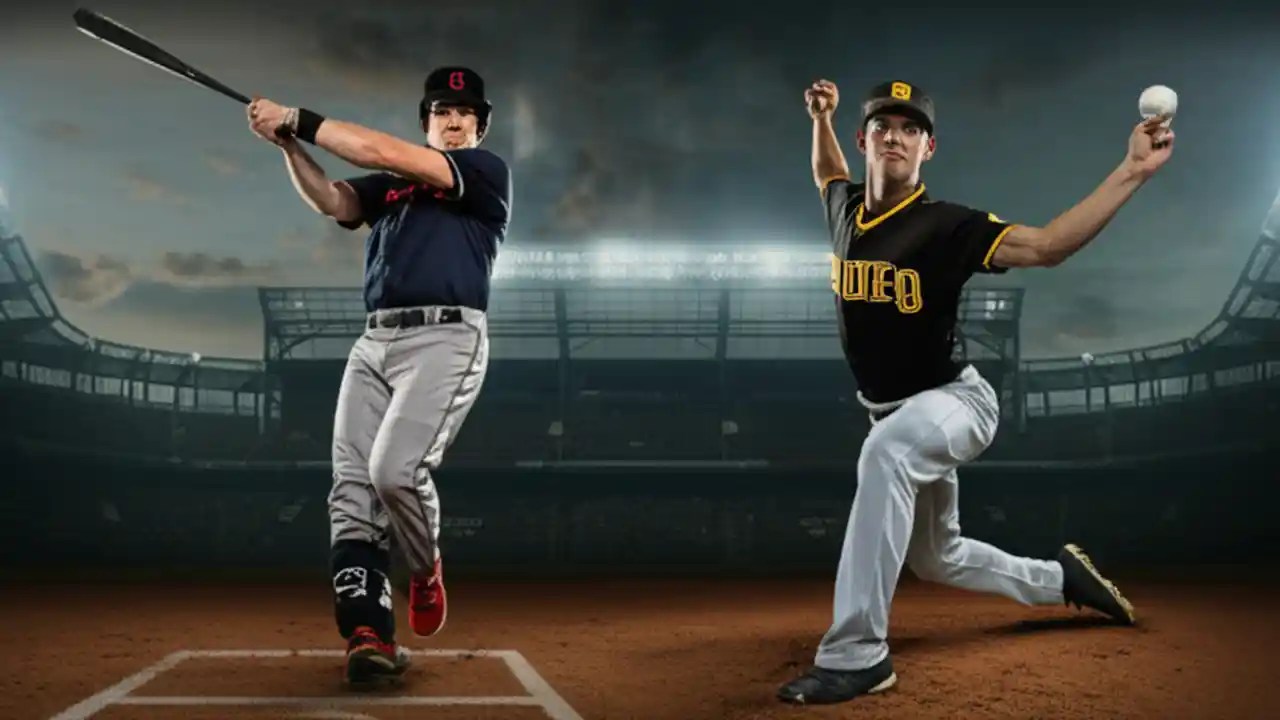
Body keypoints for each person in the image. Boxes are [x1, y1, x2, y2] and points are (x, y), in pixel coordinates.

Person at [776, 78, 1174, 705]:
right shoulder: (843, 208)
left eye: (911, 129)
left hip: (955, 403)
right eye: (884, 125)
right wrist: (819, 119)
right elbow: (827, 171)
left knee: (885, 454)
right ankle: (1060, 579)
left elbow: (1046, 247)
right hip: (895, 413)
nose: (896, 136)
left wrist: (1131, 171)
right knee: (938, 556)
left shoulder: (947, 225)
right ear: (865, 140)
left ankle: (857, 656)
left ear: (928, 148)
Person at [246, 66, 512, 686]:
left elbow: (381, 149)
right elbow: (334, 200)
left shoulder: (482, 173)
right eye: (442, 110)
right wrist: (291, 147)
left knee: (394, 471)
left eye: (465, 112)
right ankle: (368, 632)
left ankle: (424, 569)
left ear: (477, 126)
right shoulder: (392, 187)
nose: (453, 119)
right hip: (375, 340)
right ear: (427, 120)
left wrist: (299, 118)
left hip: (446, 336)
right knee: (349, 490)